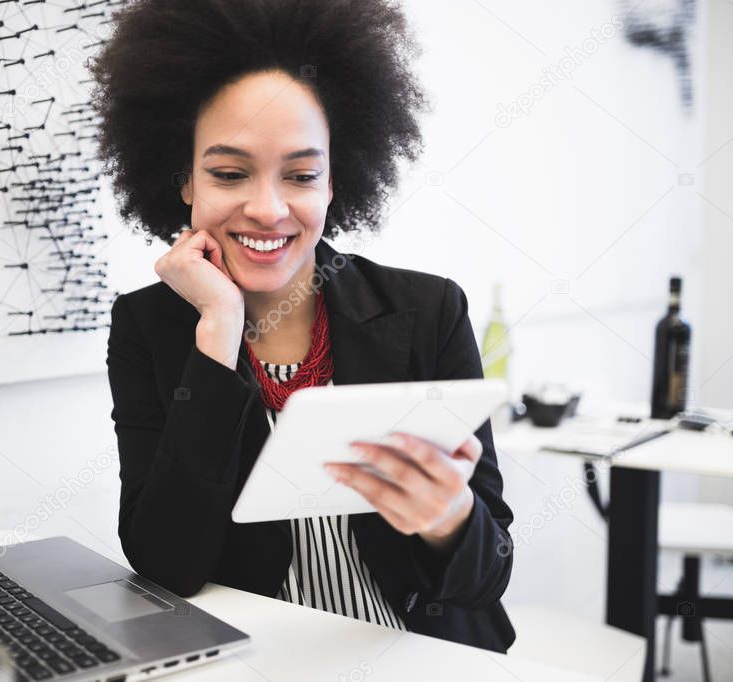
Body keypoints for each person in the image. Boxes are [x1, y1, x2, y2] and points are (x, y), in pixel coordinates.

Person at [94, 0, 515, 653]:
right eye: (230, 173)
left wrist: (449, 520)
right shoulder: (146, 326)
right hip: (253, 659)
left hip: (416, 653)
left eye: (300, 175)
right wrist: (218, 328)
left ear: (333, 184)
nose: (266, 209)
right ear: (183, 179)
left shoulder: (428, 311)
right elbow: (167, 567)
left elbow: (485, 577)